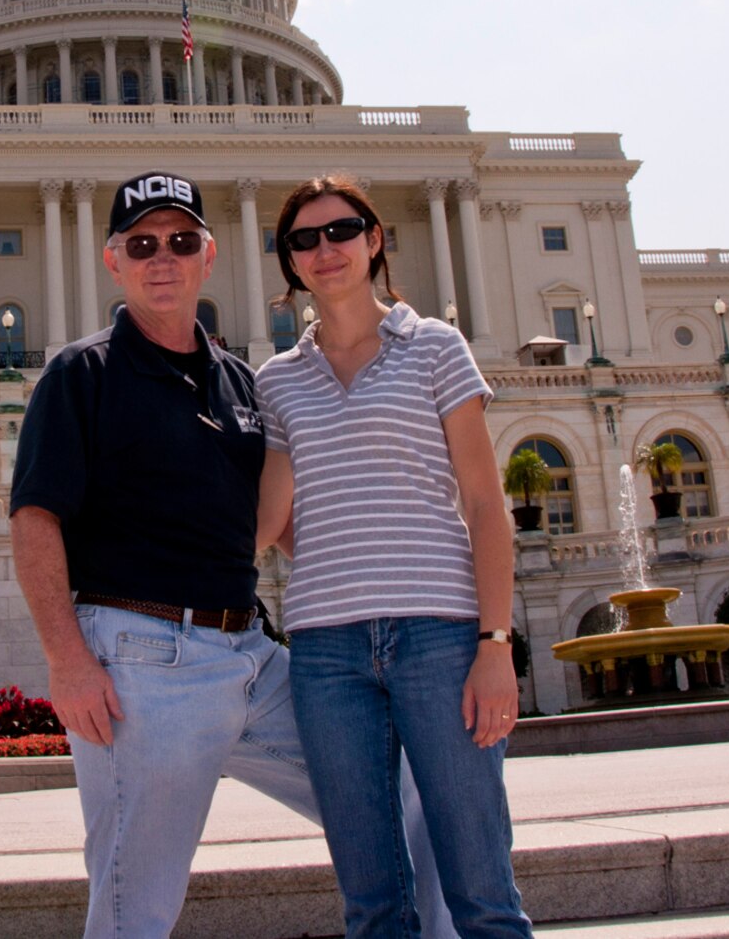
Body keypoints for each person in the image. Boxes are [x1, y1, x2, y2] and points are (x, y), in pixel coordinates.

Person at [9, 172, 457, 939]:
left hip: (252, 654)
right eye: (142, 244)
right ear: (113, 260)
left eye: (181, 241)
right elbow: (34, 519)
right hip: (143, 661)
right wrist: (66, 659)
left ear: (208, 255)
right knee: (133, 906)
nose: (163, 258)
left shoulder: (242, 382)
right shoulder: (82, 374)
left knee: (411, 784)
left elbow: (279, 522)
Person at [255, 174, 532, 938]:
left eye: (341, 230)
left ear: (374, 239)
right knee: (371, 901)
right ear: (291, 261)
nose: (325, 248)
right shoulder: (277, 380)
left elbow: (485, 504)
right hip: (326, 652)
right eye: (303, 239)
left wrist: (495, 644)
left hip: (440, 636)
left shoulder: (436, 346)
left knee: (482, 889)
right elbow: (271, 518)